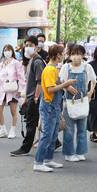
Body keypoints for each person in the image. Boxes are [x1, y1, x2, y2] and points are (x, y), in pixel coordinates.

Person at [33, 44, 70, 173]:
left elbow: (57, 83)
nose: (64, 55)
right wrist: (65, 84)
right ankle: (38, 162)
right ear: (57, 55)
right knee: (47, 135)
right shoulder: (49, 70)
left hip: (53, 106)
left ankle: (48, 159)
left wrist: (66, 85)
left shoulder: (54, 69)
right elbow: (50, 89)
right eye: (62, 53)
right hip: (49, 105)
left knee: (53, 134)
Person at [59, 43, 96, 162]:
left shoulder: (87, 67)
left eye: (79, 54)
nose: (76, 57)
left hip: (83, 101)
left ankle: (81, 152)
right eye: (73, 54)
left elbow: (94, 80)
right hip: (68, 102)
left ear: (83, 55)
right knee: (69, 130)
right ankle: (69, 153)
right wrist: (67, 87)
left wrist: (90, 92)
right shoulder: (66, 67)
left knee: (82, 129)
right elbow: (61, 81)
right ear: (69, 56)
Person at [10, 37, 45, 157]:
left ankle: (25, 148)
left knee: (31, 124)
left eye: (30, 45)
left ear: (36, 46)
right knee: (37, 123)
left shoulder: (37, 61)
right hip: (30, 97)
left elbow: (40, 82)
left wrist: (35, 97)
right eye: (26, 45)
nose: (27, 47)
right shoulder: (31, 60)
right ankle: (55, 141)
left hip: (35, 98)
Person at [0, 44, 24, 139]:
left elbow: (21, 77)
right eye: (5, 50)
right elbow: (0, 79)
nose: (7, 52)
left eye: (9, 50)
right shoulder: (2, 63)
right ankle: (3, 129)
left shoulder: (16, 63)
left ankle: (13, 129)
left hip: (13, 90)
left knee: (13, 111)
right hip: (3, 90)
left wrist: (21, 89)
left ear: (12, 51)